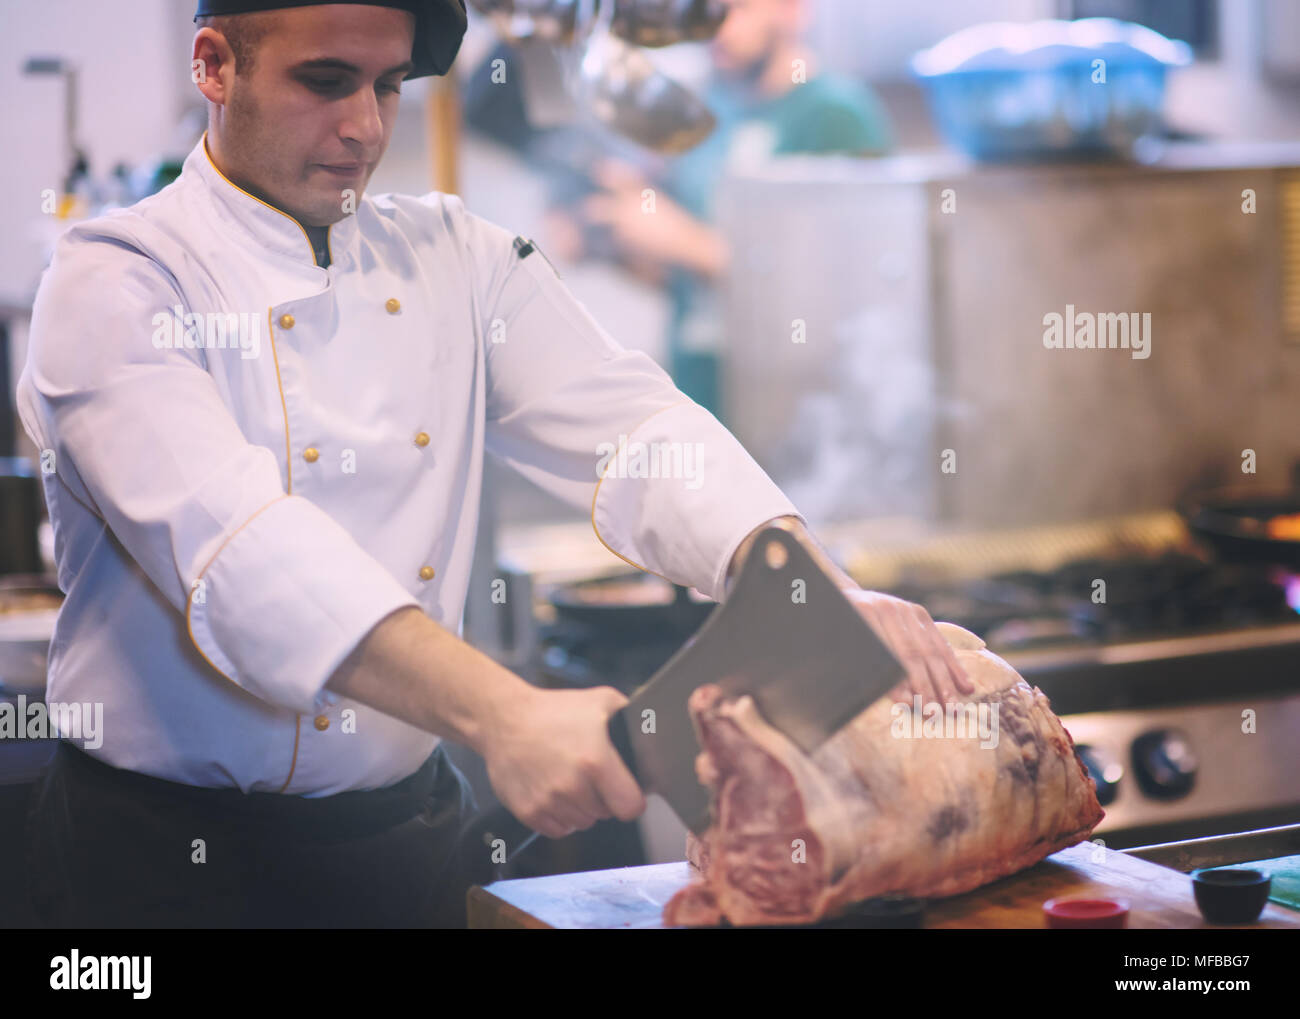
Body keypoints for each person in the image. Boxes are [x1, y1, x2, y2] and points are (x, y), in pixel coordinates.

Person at [17, 0, 968, 929]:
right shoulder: (116, 280)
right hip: (160, 867)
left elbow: (635, 432)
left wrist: (802, 578)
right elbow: (237, 547)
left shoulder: (456, 258)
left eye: (388, 85)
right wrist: (502, 715)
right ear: (215, 65)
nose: (364, 126)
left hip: (402, 849)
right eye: (326, 81)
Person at [574, 0, 893, 418]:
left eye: (736, 9)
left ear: (792, 9)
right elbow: (688, 280)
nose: (713, 26)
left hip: (795, 409)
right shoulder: (705, 112)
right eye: (702, 11)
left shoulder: (834, 113)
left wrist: (683, 240)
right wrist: (619, 238)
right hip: (702, 394)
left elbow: (844, 291)